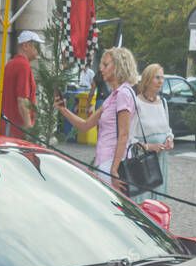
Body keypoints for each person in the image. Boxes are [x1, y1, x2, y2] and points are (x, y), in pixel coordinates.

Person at [55, 47, 139, 190]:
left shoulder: (123, 94)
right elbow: (86, 125)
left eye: (106, 65)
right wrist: (63, 110)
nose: (101, 69)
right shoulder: (115, 95)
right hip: (106, 161)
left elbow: (124, 134)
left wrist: (114, 170)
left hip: (112, 163)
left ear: (119, 66)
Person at [128, 63, 175, 197]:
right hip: (143, 162)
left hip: (161, 162)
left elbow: (168, 129)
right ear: (147, 79)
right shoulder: (136, 103)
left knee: (158, 204)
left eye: (162, 78)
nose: (161, 81)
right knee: (143, 202)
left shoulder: (163, 103)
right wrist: (149, 147)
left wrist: (170, 139)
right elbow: (130, 138)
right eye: (157, 77)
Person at [1, 30, 43, 135]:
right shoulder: (23, 65)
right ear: (25, 46)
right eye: (36, 46)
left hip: (7, 127)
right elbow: (22, 100)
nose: (38, 50)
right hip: (19, 130)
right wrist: (29, 128)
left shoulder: (9, 64)